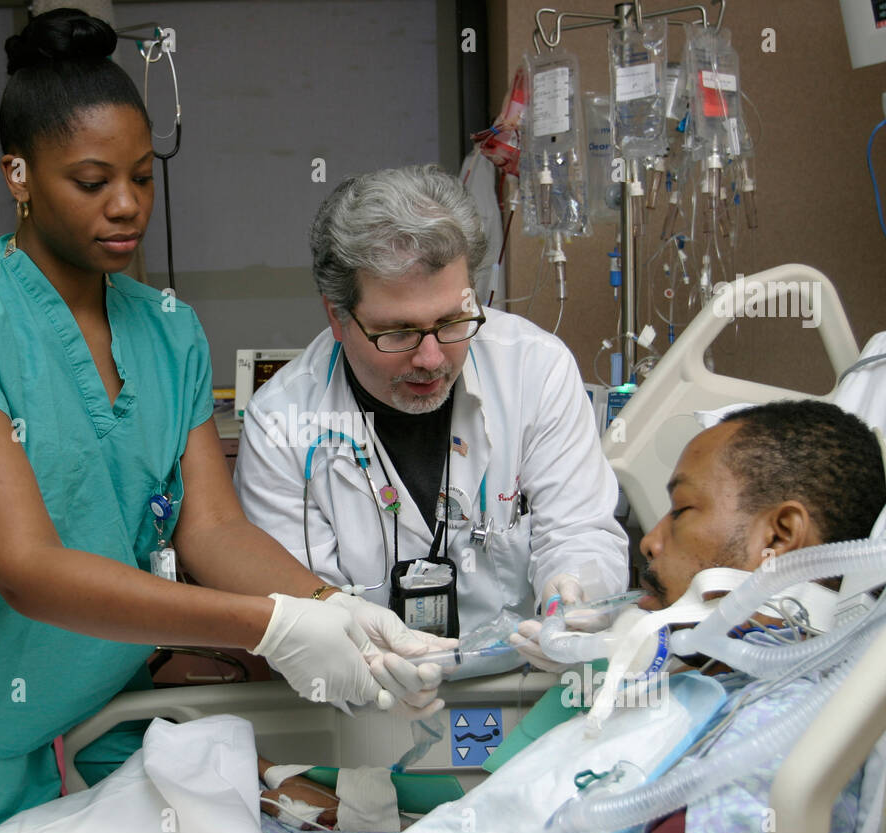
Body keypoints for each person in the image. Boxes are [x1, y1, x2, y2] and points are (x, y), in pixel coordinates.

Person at [0, 9, 444, 833]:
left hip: (103, 692)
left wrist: (333, 611)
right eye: (90, 182)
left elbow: (211, 528)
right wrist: (267, 628)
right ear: (18, 175)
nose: (126, 205)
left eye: (140, 177)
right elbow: (27, 569)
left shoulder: (168, 330)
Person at [234, 165, 629, 647]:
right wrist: (357, 657)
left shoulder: (535, 369)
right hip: (365, 696)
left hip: (519, 677)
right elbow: (297, 606)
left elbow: (580, 530)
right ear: (337, 317)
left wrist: (572, 596)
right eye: (398, 331)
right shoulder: (282, 423)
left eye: (452, 321)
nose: (431, 358)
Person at [616, 399, 886, 833]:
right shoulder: (720, 690)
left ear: (779, 537)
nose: (650, 541)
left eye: (681, 509)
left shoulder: (769, 744)